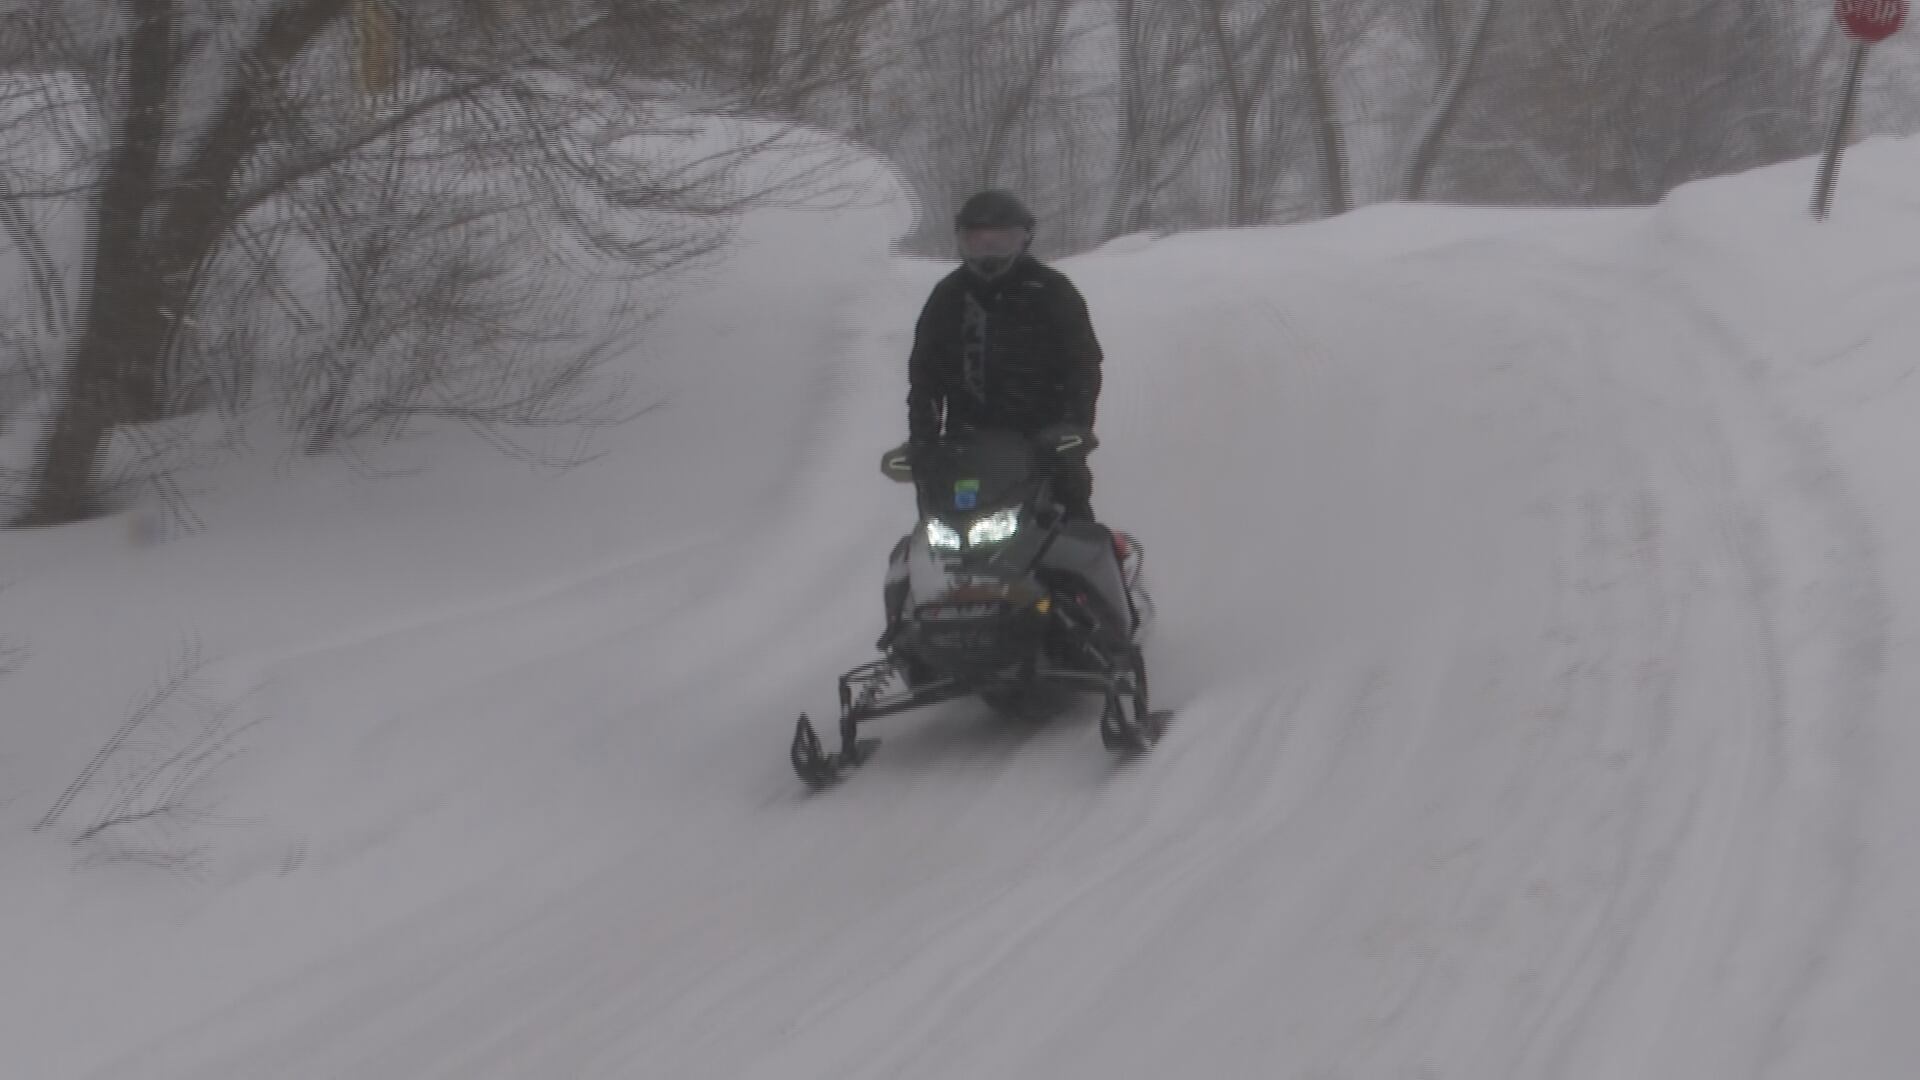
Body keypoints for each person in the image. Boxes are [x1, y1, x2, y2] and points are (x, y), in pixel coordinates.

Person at [892, 189, 1105, 522]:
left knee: (1073, 524)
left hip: (1044, 445)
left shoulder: (1052, 292)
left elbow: (1083, 367)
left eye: (1000, 241)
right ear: (961, 242)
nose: (988, 252)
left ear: (1024, 239)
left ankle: (1107, 566)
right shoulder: (948, 298)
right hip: (966, 447)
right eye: (978, 241)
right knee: (932, 535)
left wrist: (1072, 427)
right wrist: (922, 442)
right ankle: (916, 574)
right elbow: (924, 379)